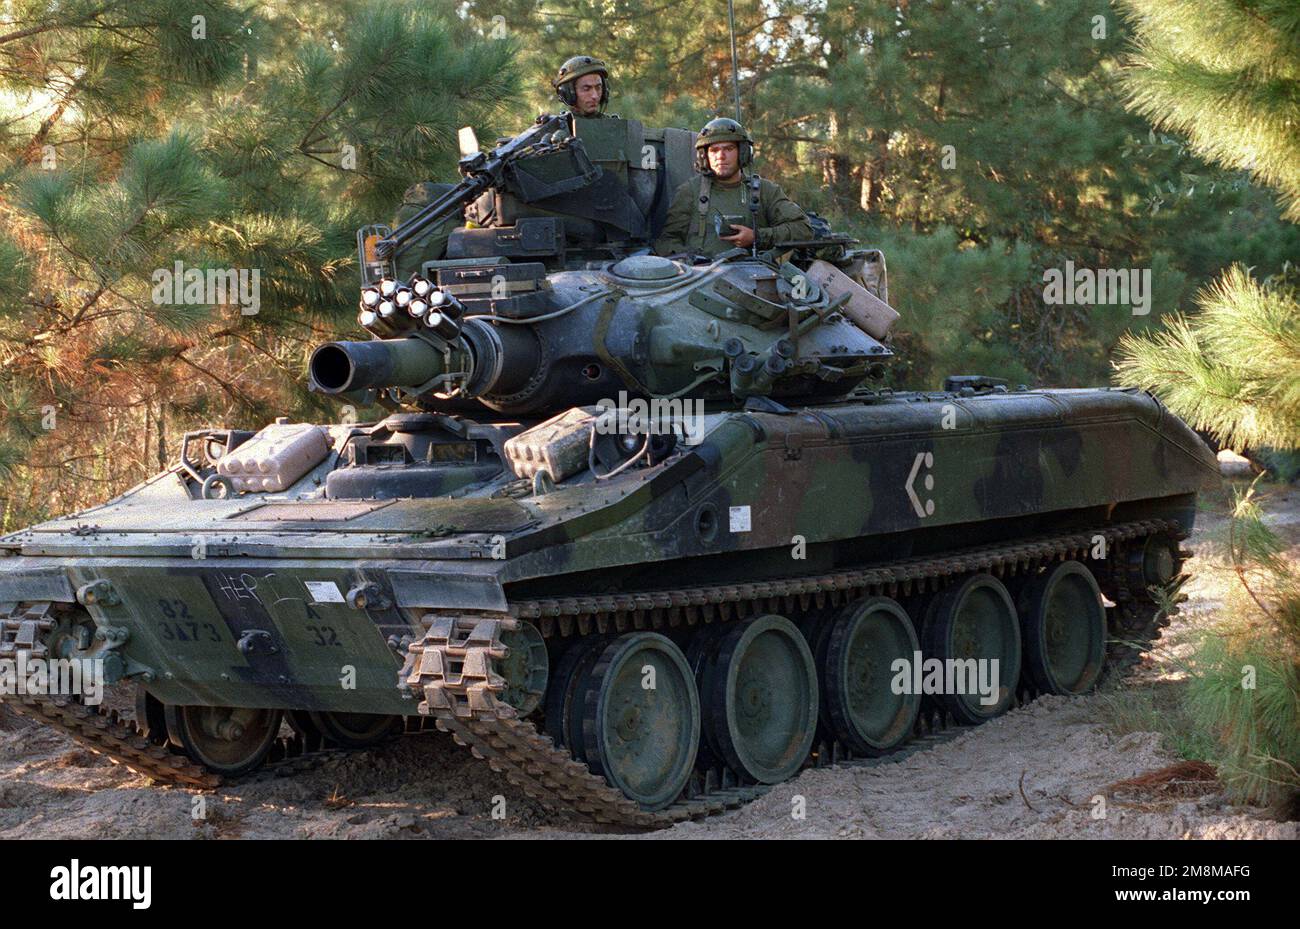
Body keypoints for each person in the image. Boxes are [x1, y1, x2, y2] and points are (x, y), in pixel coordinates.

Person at [654, 117, 811, 258]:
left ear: (742, 153)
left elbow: (803, 229)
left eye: (728, 149)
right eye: (714, 150)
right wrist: (690, 261)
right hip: (702, 278)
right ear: (704, 157)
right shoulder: (690, 191)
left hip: (752, 278)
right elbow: (667, 241)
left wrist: (757, 237)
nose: (721, 156)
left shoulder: (765, 191)